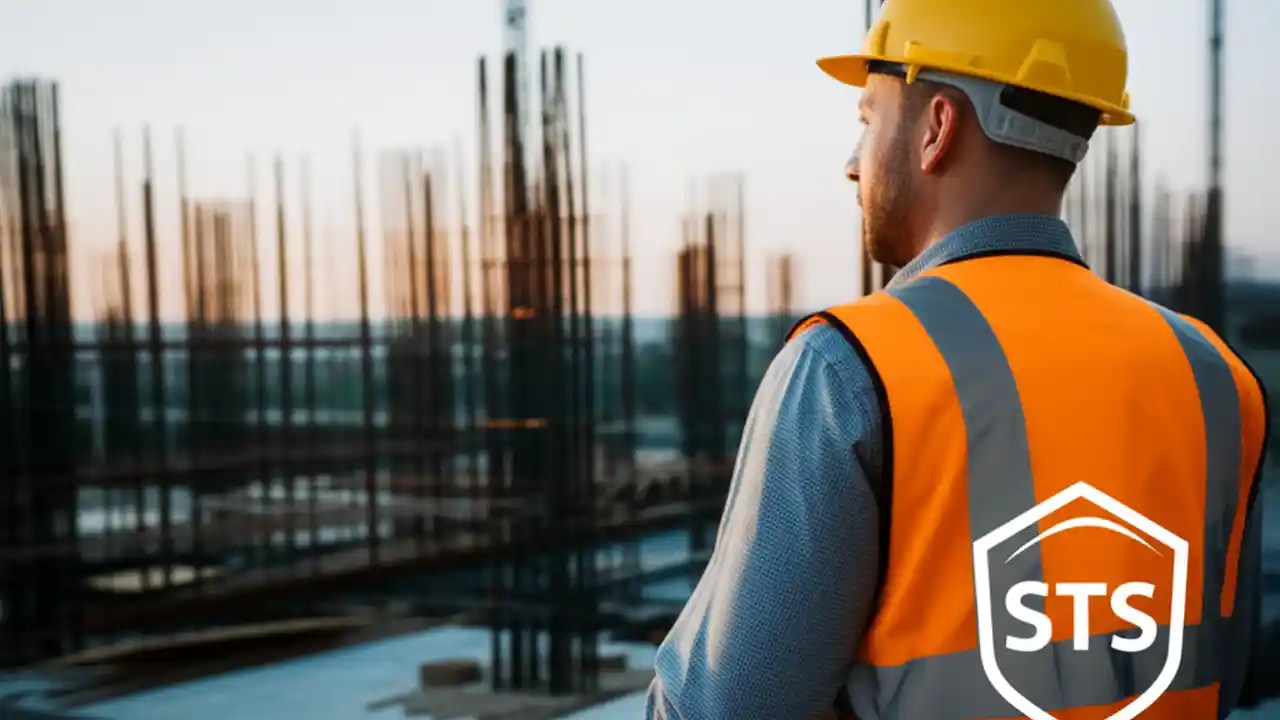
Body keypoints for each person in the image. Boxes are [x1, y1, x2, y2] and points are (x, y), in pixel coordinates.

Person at [645, 0, 1270, 717]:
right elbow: (1224, 667)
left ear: (937, 128)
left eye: (867, 121)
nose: (853, 164)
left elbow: (728, 705)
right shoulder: (1217, 379)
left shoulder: (850, 369)